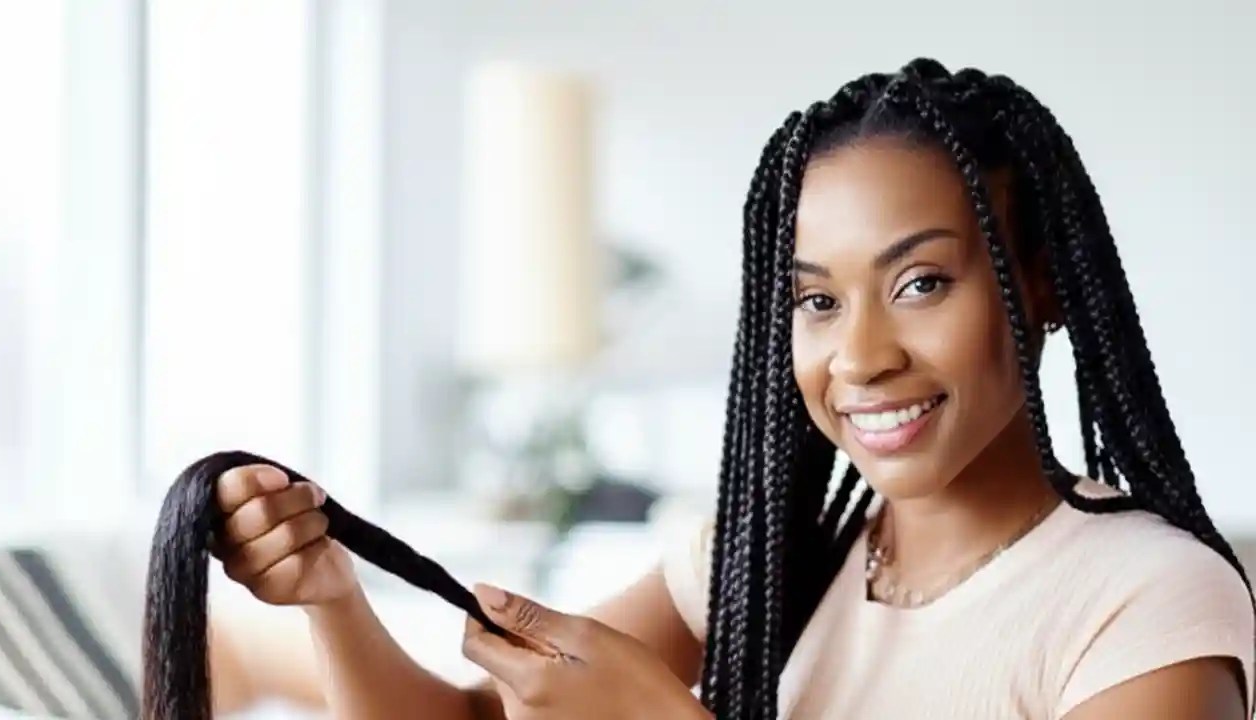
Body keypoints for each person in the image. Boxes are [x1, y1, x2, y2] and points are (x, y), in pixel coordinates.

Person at [210, 58, 1256, 720]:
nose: (860, 356)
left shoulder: (1148, 601)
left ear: (1042, 283)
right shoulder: (758, 558)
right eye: (817, 301)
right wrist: (332, 600)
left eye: (920, 284)